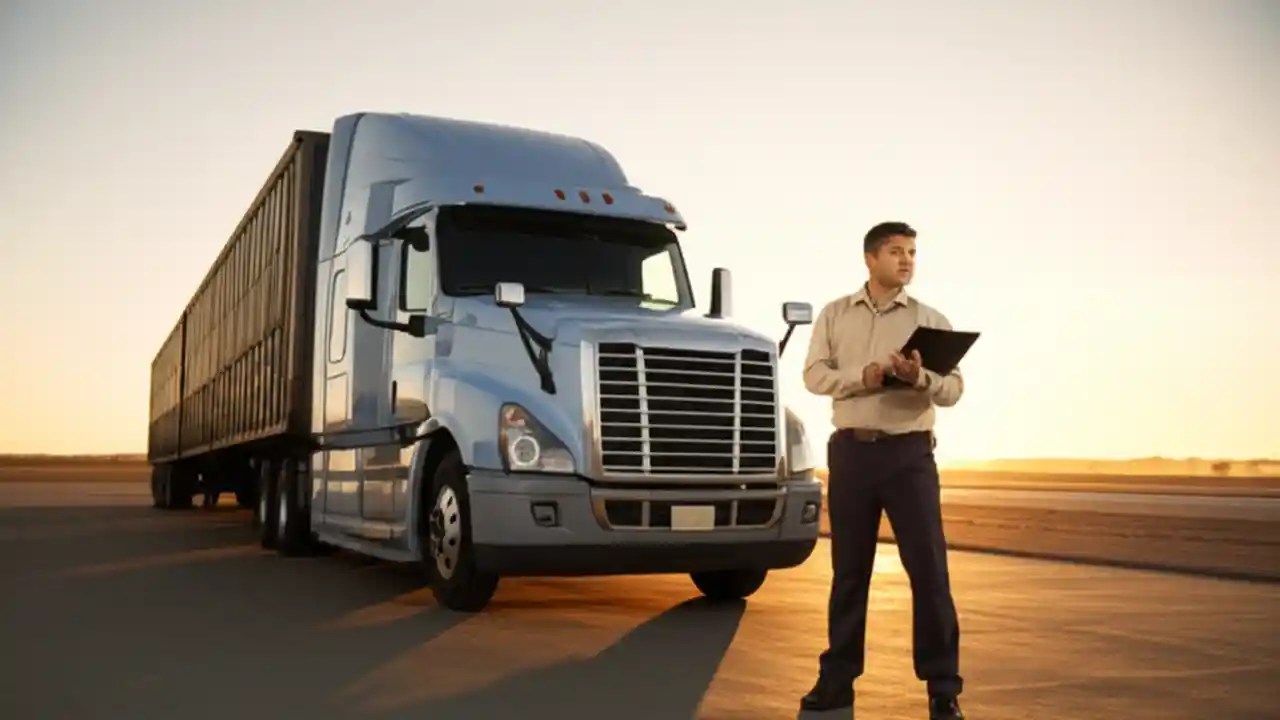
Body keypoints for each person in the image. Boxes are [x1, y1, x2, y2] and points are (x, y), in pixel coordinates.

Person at [799, 221, 967, 719]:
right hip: (851, 455)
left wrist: (922, 377)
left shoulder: (930, 319)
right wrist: (864, 376)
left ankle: (942, 690)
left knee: (930, 572)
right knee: (849, 572)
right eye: (897, 252)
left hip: (909, 457)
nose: (907, 260)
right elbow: (813, 375)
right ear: (870, 259)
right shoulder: (835, 315)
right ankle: (838, 682)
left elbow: (954, 389)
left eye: (912, 252)